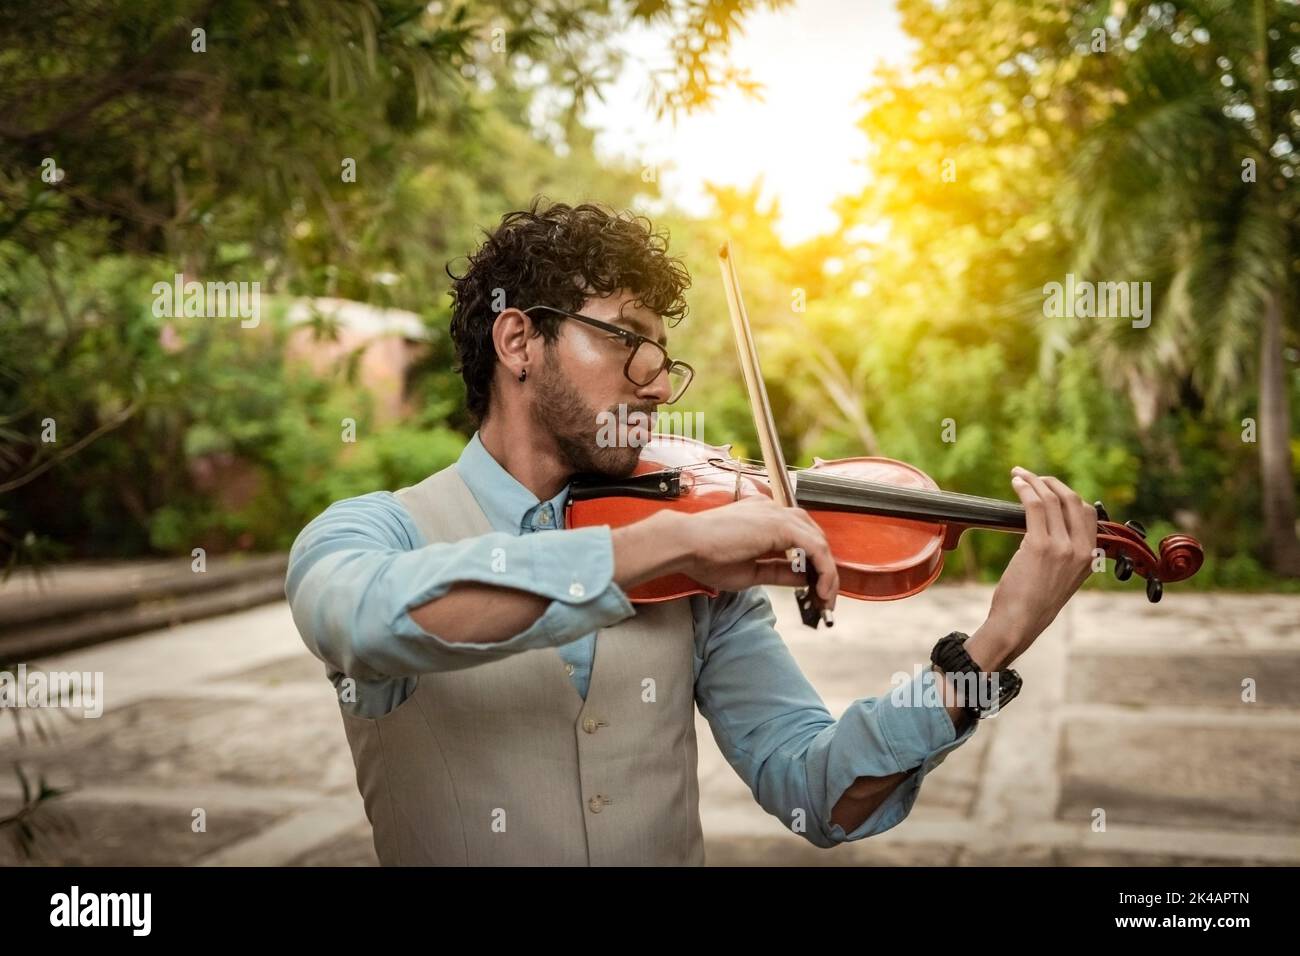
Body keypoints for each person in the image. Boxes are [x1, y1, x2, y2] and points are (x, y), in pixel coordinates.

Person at [285, 197, 1098, 865]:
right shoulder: (376, 532)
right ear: (519, 340)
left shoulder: (699, 580)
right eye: (628, 339)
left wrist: (990, 647)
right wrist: (673, 545)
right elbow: (367, 624)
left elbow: (819, 789)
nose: (655, 383)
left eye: (663, 357)